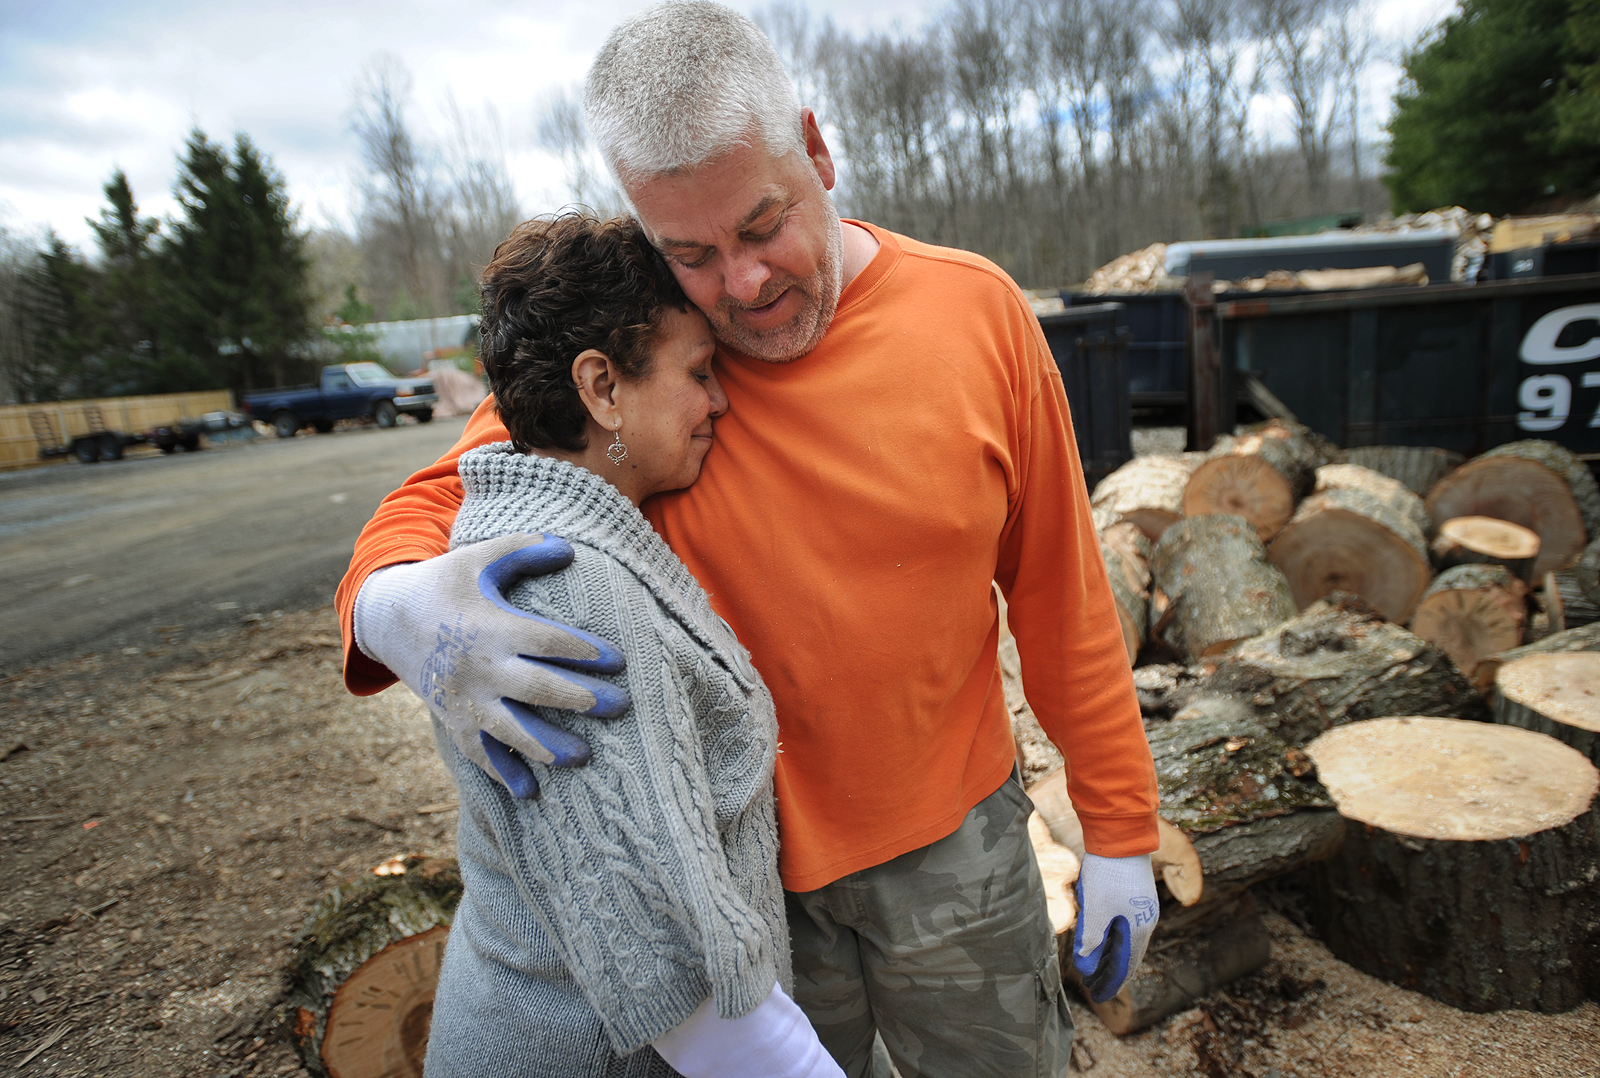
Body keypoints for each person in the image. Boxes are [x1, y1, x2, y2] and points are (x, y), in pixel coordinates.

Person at [339, 4, 1162, 1074]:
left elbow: (1061, 595)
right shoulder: (634, 363)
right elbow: (432, 503)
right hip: (744, 885)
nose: (742, 284)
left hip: (956, 853)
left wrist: (1121, 829)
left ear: (815, 149)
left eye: (763, 224)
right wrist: (396, 607)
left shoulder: (976, 317)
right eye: (689, 251)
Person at [420, 211, 844, 1078]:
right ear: (602, 388)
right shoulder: (559, 584)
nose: (719, 401)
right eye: (697, 373)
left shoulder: (556, 535)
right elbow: (670, 974)